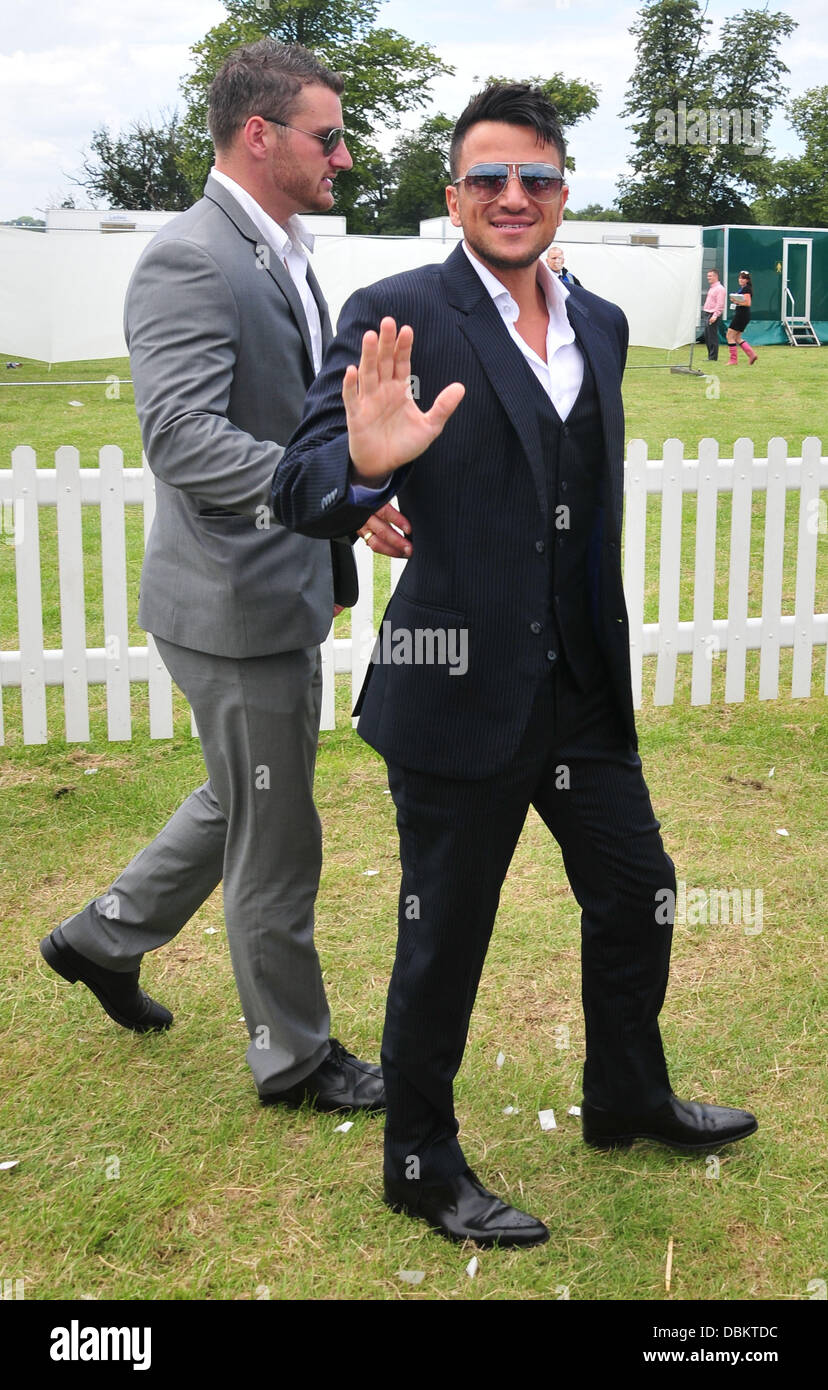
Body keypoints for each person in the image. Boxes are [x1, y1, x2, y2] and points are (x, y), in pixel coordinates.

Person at [272, 82, 757, 1247]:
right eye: (487, 177)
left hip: (580, 687)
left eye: (535, 177)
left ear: (562, 195)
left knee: (638, 891)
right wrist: (366, 472)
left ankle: (626, 1095)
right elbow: (298, 483)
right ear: (453, 196)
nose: (511, 195)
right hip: (458, 689)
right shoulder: (398, 312)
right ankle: (418, 1162)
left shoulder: (603, 324)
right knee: (446, 933)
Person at [40, 40, 409, 1114]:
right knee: (276, 833)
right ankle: (293, 1055)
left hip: (273, 582)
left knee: (239, 793)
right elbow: (184, 438)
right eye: (328, 136)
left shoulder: (278, 248)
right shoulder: (191, 257)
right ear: (261, 135)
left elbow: (291, 416)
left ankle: (101, 939)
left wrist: (352, 497)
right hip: (232, 599)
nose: (343, 156)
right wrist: (329, 489)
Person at [726, 271, 757, 365]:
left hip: (741, 315)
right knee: (737, 337)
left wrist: (736, 302)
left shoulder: (746, 289)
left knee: (729, 335)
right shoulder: (744, 289)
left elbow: (748, 303)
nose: (740, 280)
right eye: (740, 278)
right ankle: (751, 355)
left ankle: (733, 359)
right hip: (743, 315)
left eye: (743, 278)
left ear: (747, 280)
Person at [702, 267, 726, 361]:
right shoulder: (712, 288)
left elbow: (720, 304)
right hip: (707, 312)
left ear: (716, 276)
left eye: (710, 276)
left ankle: (713, 357)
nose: (708, 278)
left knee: (712, 336)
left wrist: (715, 315)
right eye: (708, 276)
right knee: (707, 335)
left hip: (712, 314)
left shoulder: (720, 289)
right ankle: (710, 355)